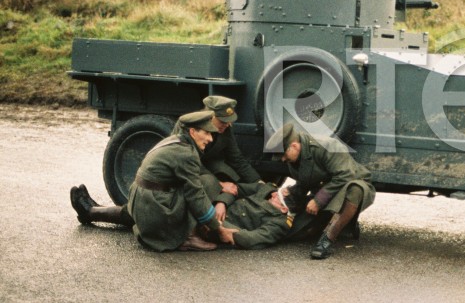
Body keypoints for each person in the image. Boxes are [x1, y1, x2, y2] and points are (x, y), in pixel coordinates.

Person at [71, 110, 238, 252]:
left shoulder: (174, 140)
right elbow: (196, 196)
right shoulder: (186, 153)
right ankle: (187, 237)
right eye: (206, 133)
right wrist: (218, 228)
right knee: (206, 184)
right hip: (153, 208)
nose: (210, 139)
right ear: (193, 132)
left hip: (141, 201)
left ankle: (90, 211)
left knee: (139, 210)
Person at [71, 179, 295, 251]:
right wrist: (222, 202)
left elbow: (256, 238)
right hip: (209, 209)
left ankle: (91, 212)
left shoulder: (279, 223)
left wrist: (230, 234)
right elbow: (235, 189)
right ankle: (94, 210)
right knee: (154, 207)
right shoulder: (267, 191)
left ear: (284, 208)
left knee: (155, 213)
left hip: (207, 227)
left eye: (279, 196)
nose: (275, 193)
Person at [266, 123, 375, 260]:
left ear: (294, 145)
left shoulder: (326, 146)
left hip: (352, 183)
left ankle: (327, 239)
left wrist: (318, 200)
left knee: (355, 190)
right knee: (296, 233)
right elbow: (306, 181)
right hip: (327, 192)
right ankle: (346, 225)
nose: (282, 159)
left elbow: (346, 175)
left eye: (283, 155)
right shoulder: (294, 158)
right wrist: (290, 193)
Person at [173, 96, 264, 199]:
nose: (228, 124)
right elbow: (188, 162)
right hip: (186, 169)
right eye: (223, 121)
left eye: (229, 121)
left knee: (232, 177)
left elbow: (236, 158)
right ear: (210, 116)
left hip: (209, 165)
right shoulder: (188, 126)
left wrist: (257, 181)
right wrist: (220, 184)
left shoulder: (226, 128)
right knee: (209, 183)